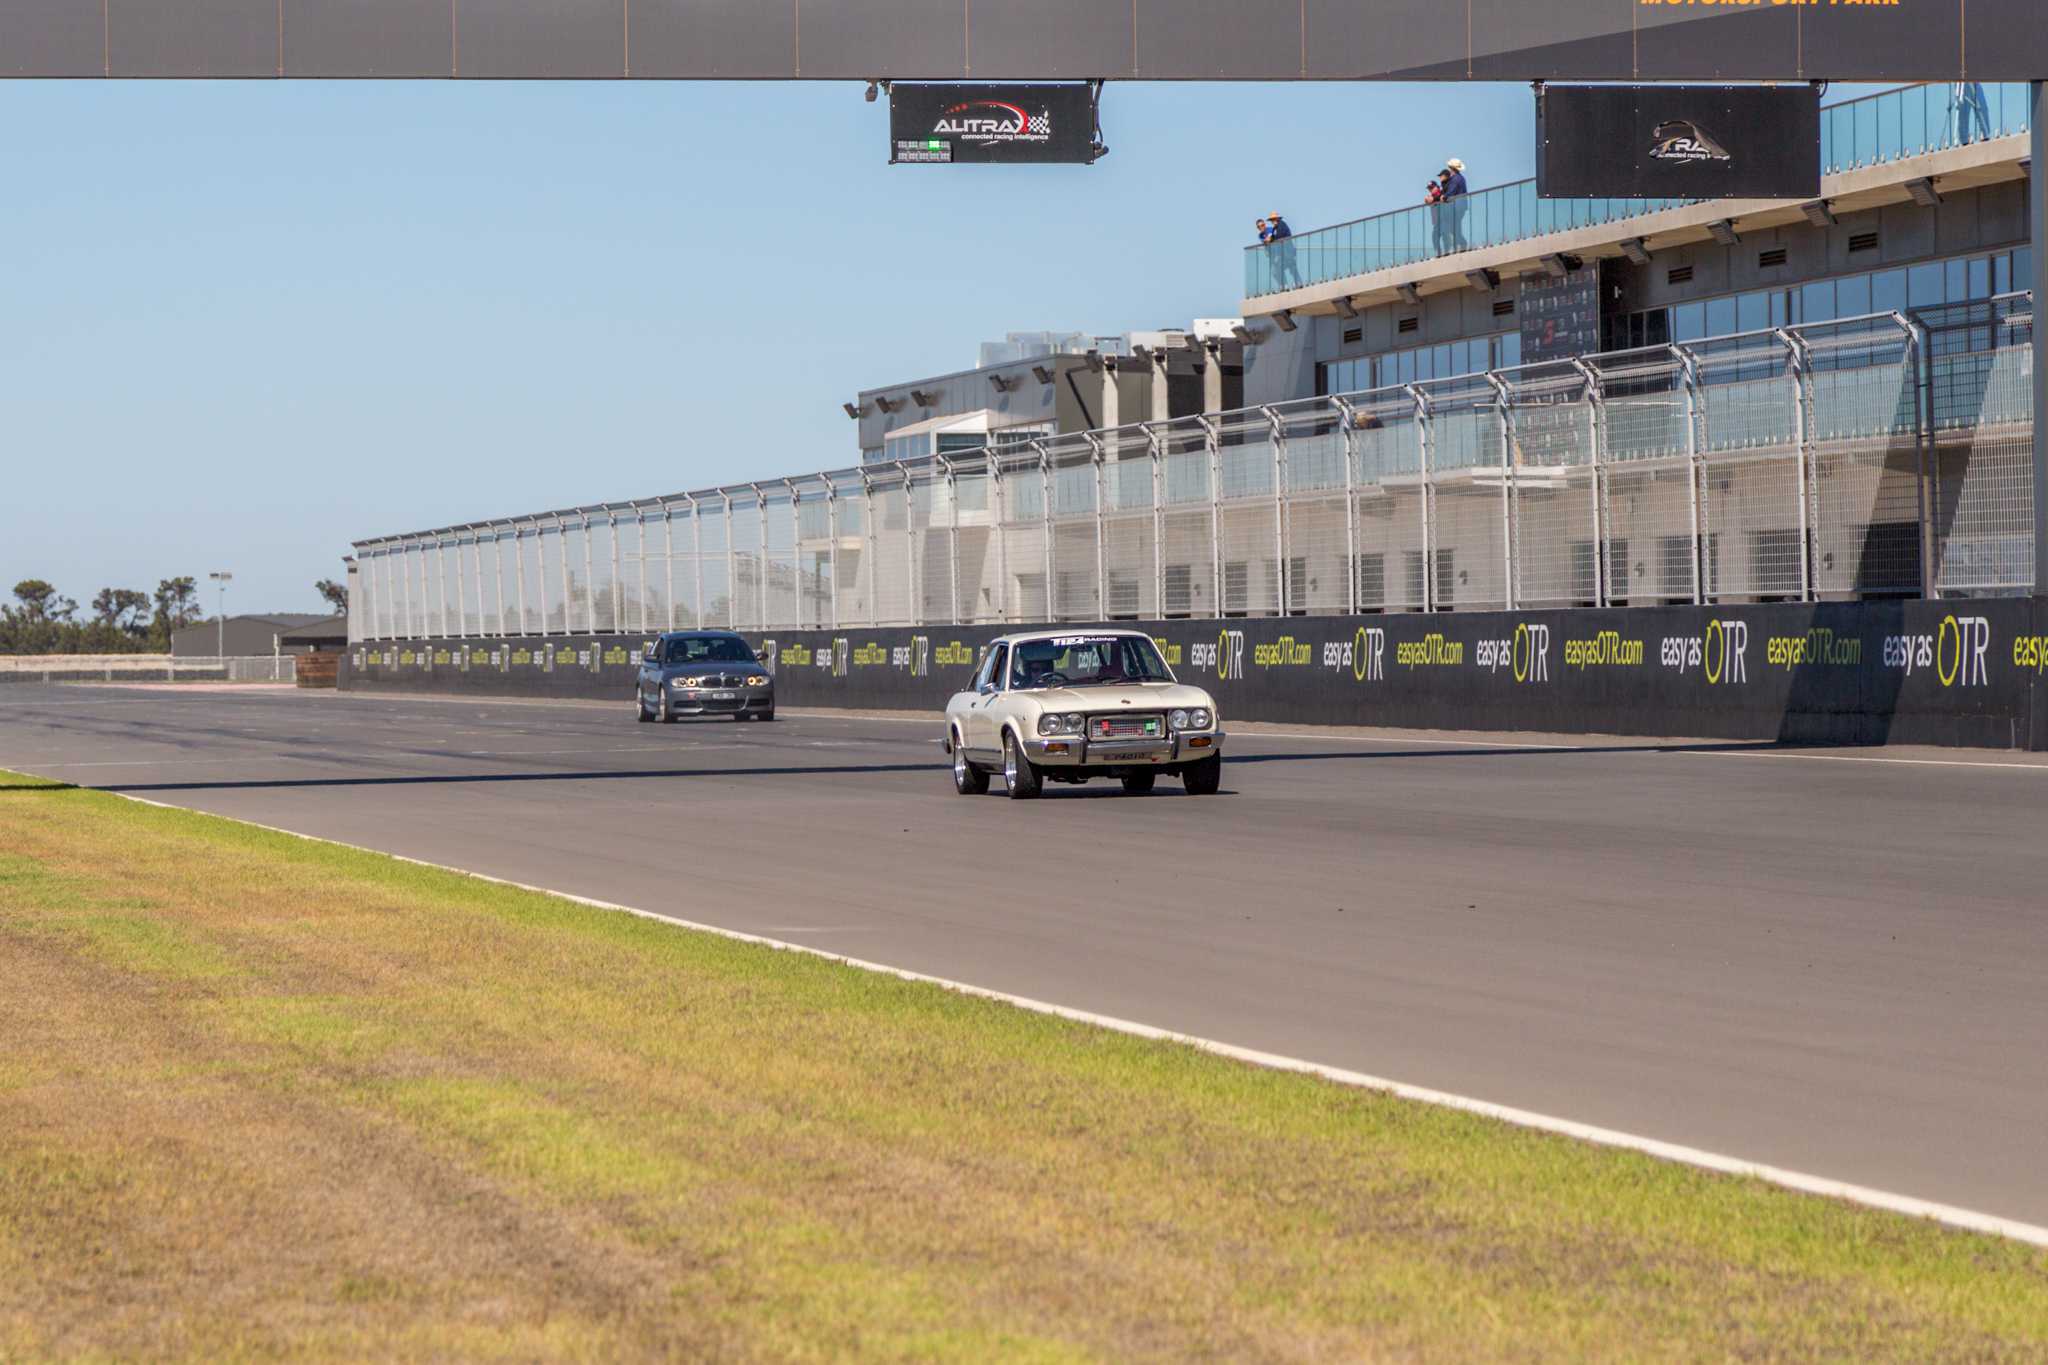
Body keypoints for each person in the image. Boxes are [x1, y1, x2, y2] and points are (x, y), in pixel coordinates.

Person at [1438, 158, 1468, 254]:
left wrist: (1444, 197)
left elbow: (1451, 191)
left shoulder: (1456, 179)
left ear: (1452, 168)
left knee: (1454, 228)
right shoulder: (1460, 178)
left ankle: (1461, 246)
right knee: (1455, 228)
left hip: (1457, 207)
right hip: (1460, 206)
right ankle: (1461, 246)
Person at [1263, 212, 1300, 289]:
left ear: (1277, 219)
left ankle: (1298, 283)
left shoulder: (1282, 225)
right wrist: (1268, 240)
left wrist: (1270, 239)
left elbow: (1279, 236)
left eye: (1273, 219)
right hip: (1281, 253)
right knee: (1277, 270)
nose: (1272, 221)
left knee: (1291, 268)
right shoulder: (1275, 228)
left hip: (1287, 252)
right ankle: (1284, 285)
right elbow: (1273, 237)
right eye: (1271, 220)